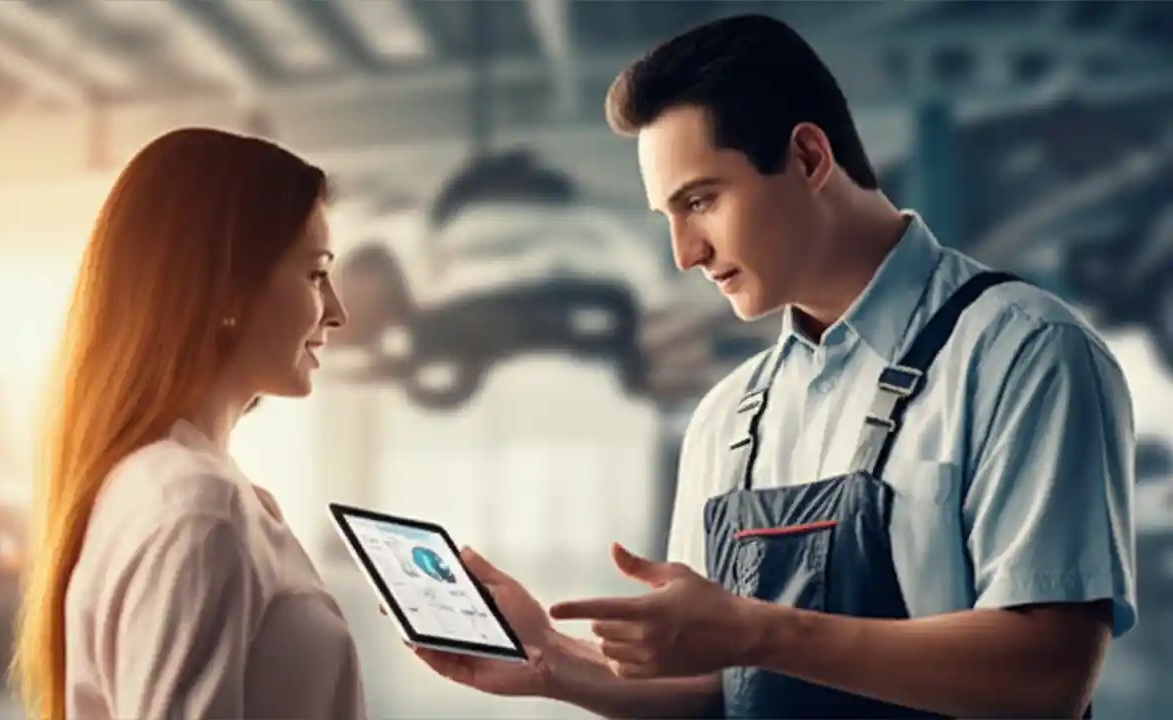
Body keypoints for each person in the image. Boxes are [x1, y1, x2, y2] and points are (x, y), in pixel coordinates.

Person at [411, 14, 1136, 718]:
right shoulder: (726, 416)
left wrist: (760, 630)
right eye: (668, 216)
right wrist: (550, 660)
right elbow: (716, 693)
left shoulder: (1023, 353)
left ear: (810, 158)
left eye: (701, 200)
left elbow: (1048, 675)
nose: (683, 254)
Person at [12, 128, 364, 720]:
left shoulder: (172, 487)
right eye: (315, 273)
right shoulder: (200, 509)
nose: (337, 312)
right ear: (228, 284)